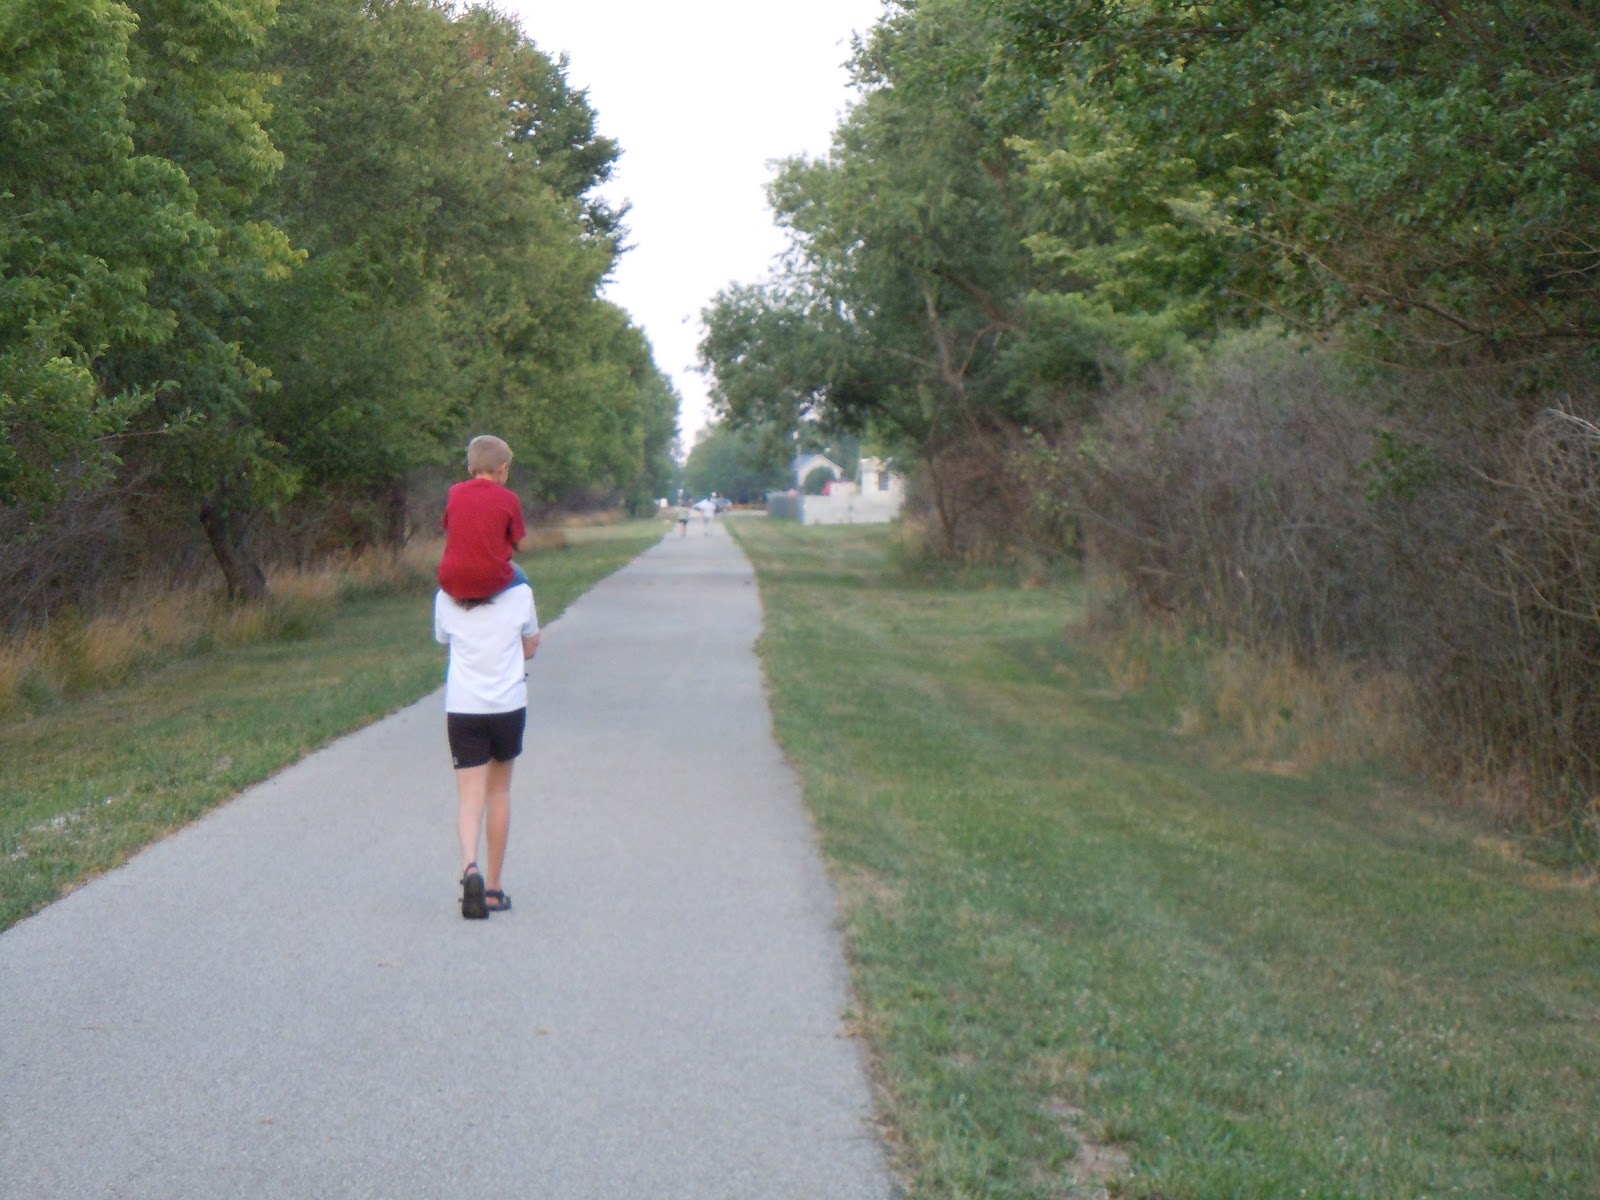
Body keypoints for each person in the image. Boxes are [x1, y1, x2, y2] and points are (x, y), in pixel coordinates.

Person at [435, 578, 541, 918]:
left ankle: (470, 869)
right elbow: (531, 646)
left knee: (470, 798)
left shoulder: (446, 597)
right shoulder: (520, 594)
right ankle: (493, 889)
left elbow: (446, 642)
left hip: (464, 707)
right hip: (507, 706)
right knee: (499, 793)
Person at [438, 434, 528, 602]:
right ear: (503, 467)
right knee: (522, 579)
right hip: (491, 578)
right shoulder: (509, 498)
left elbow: (451, 531)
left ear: (470, 469)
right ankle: (531, 628)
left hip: (451, 577)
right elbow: (521, 546)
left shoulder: (455, 493)